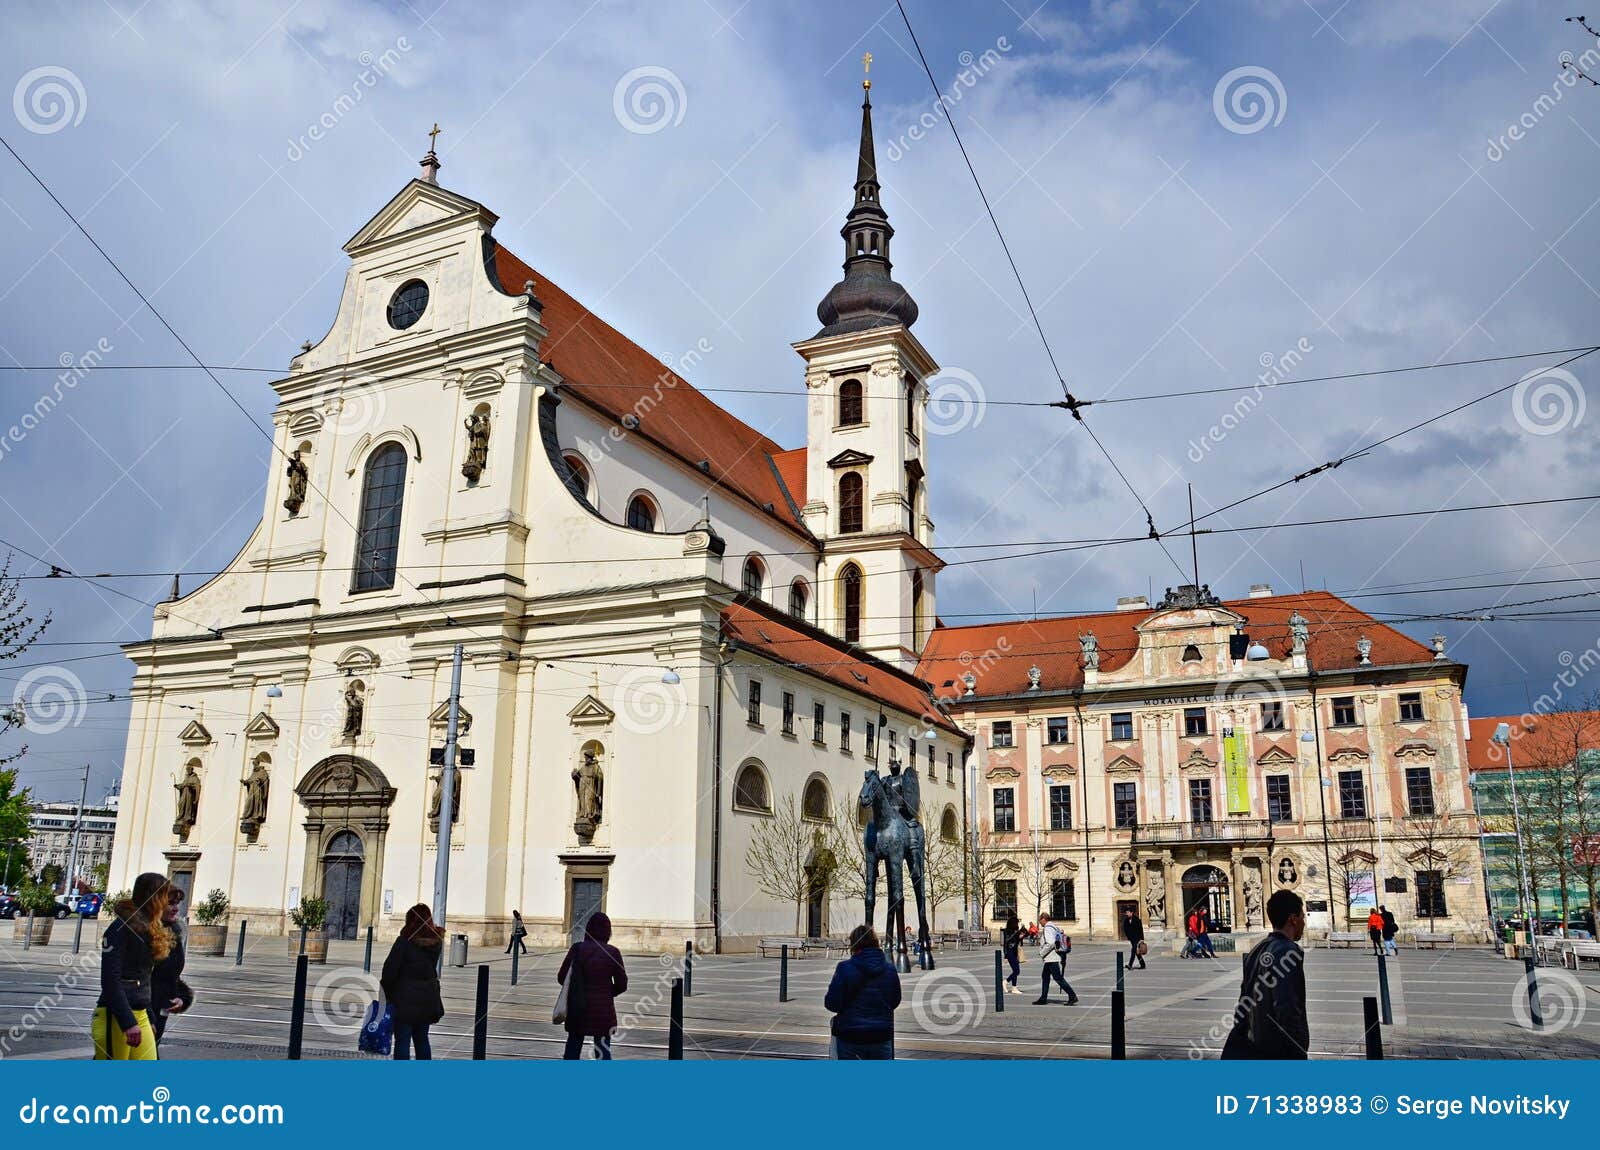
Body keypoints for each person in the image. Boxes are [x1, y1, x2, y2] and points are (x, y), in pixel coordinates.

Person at [1221, 889, 1309, 1060]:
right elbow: (1287, 1007)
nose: (1304, 923)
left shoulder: (1257, 949)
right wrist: (1297, 1049)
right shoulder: (1288, 951)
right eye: (1302, 917)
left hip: (1254, 1046)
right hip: (1277, 1050)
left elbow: (1243, 1003)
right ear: (1293, 919)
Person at [94, 871, 173, 1059]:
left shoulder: (149, 928)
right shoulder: (119, 929)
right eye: (164, 896)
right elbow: (110, 980)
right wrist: (127, 1022)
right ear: (153, 898)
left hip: (140, 1013)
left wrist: (150, 1017)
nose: (166, 903)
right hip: (115, 1015)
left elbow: (143, 978)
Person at [824, 924, 903, 1059]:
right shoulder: (889, 969)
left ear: (854, 944)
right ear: (876, 943)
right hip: (881, 1034)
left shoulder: (844, 968)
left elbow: (832, 1003)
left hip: (851, 1035)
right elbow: (895, 1000)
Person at [556, 911, 628, 1060]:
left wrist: (578, 988)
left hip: (577, 1008)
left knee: (573, 1049)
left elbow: (562, 977)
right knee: (603, 1052)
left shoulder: (577, 949)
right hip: (603, 1011)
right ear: (608, 931)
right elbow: (622, 984)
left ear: (588, 929)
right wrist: (607, 993)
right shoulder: (613, 952)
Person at [381, 904, 446, 1060]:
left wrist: (385, 994)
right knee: (422, 1039)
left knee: (402, 1040)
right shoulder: (436, 943)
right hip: (427, 999)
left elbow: (389, 971)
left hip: (403, 1000)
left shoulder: (403, 942)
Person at [150, 886, 193, 1046]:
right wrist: (145, 1017)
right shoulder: (145, 933)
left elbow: (170, 975)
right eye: (171, 904)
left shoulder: (172, 933)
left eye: (177, 903)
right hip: (142, 1010)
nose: (176, 909)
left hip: (161, 1008)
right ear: (156, 905)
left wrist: (181, 997)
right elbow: (137, 978)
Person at [1032, 913, 1078, 1005]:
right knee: (1045, 977)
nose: (1039, 922)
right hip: (1052, 957)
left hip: (1051, 957)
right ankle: (1043, 998)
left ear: (1043, 919)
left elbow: (1050, 943)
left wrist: (1042, 953)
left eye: (1039, 920)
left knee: (1058, 978)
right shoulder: (1054, 927)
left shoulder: (1048, 928)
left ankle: (1072, 996)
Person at [1001, 912, 1024, 993]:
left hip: (1015, 952)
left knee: (1015, 970)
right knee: (1017, 971)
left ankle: (1014, 988)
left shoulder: (1016, 931)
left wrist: (1021, 937)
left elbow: (1017, 941)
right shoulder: (1007, 931)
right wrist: (1006, 956)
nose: (1018, 924)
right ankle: (1005, 981)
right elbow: (1005, 944)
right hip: (1010, 953)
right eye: (1017, 923)